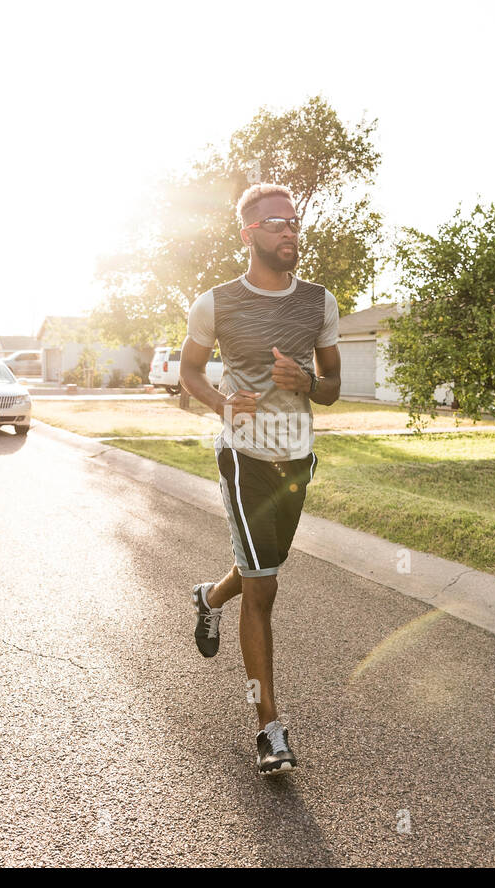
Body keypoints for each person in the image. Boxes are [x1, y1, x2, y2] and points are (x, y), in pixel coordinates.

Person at [178, 182, 341, 775]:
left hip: (298, 459)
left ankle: (210, 595)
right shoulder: (215, 303)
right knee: (265, 586)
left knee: (263, 568)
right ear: (249, 234)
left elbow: (332, 388)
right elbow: (190, 373)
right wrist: (223, 404)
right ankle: (270, 730)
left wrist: (306, 384)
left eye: (294, 222)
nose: (290, 231)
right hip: (244, 457)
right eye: (276, 223)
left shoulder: (320, 303)